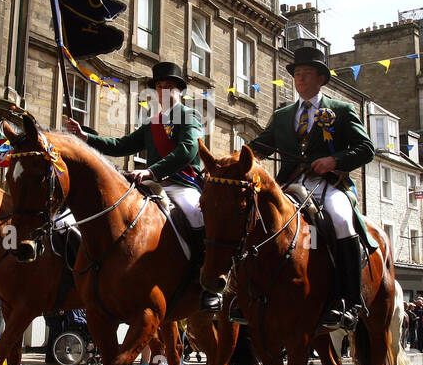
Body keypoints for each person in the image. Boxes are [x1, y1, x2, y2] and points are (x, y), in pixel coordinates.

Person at [64, 60, 220, 316]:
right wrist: (86, 138)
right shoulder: (152, 122)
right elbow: (121, 145)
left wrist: (151, 170)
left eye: (169, 86)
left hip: (182, 184)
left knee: (197, 216)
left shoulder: (189, 116)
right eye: (159, 87)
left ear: (179, 91)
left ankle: (207, 284)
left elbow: (187, 150)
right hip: (153, 185)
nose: (164, 91)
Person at [247, 45, 377, 331]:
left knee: (342, 220)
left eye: (306, 74)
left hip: (329, 185)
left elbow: (366, 149)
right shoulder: (283, 115)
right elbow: (261, 146)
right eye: (297, 74)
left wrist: (334, 160)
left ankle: (350, 301)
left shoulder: (341, 110)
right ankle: (248, 296)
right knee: (257, 219)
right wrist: (237, 159)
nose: (300, 79)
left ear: (321, 79)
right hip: (291, 184)